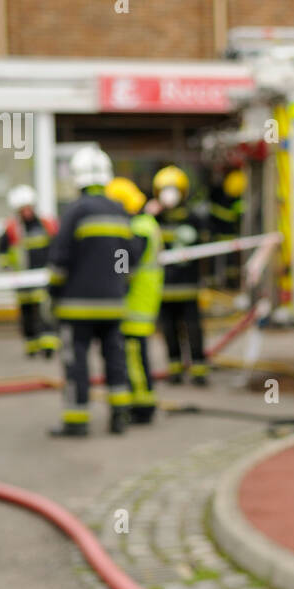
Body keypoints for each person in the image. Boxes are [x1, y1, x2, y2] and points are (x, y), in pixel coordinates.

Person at [46, 146, 136, 437]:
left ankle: (77, 421)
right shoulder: (120, 210)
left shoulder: (75, 211)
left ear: (78, 179)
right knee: (116, 360)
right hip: (113, 305)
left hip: (77, 308)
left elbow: (60, 259)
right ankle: (120, 414)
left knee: (77, 363)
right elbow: (127, 257)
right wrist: (117, 285)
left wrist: (53, 295)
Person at [106, 177, 163, 425]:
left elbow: (126, 266)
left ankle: (142, 407)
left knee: (133, 357)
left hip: (135, 304)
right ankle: (143, 402)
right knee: (136, 355)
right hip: (143, 300)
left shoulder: (139, 228)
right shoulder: (146, 223)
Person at [151, 165, 210, 386]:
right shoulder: (154, 219)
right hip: (164, 287)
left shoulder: (192, 217)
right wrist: (147, 214)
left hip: (187, 286)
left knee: (193, 329)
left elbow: (205, 245)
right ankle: (174, 369)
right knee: (169, 330)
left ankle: (199, 370)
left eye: (173, 189)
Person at [0, 185, 60, 358]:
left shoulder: (46, 225)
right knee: (27, 315)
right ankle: (31, 346)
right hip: (22, 281)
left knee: (45, 312)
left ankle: (48, 347)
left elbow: (56, 246)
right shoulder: (12, 229)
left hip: (43, 278)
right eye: (22, 209)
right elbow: (2, 251)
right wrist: (7, 267)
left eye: (28, 208)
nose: (26, 212)